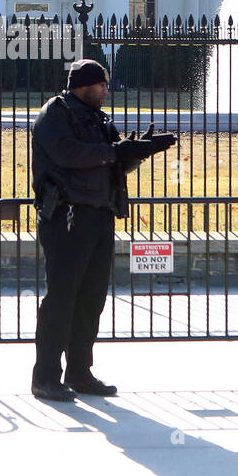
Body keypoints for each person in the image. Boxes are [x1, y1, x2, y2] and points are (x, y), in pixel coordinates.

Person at [29, 58, 177, 402]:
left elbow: (113, 161)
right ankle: (46, 377)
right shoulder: (56, 113)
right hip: (66, 216)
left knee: (91, 299)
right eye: (102, 85)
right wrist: (116, 150)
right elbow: (70, 154)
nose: (106, 91)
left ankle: (80, 372)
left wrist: (140, 151)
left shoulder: (98, 117)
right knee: (62, 299)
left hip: (99, 215)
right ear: (84, 85)